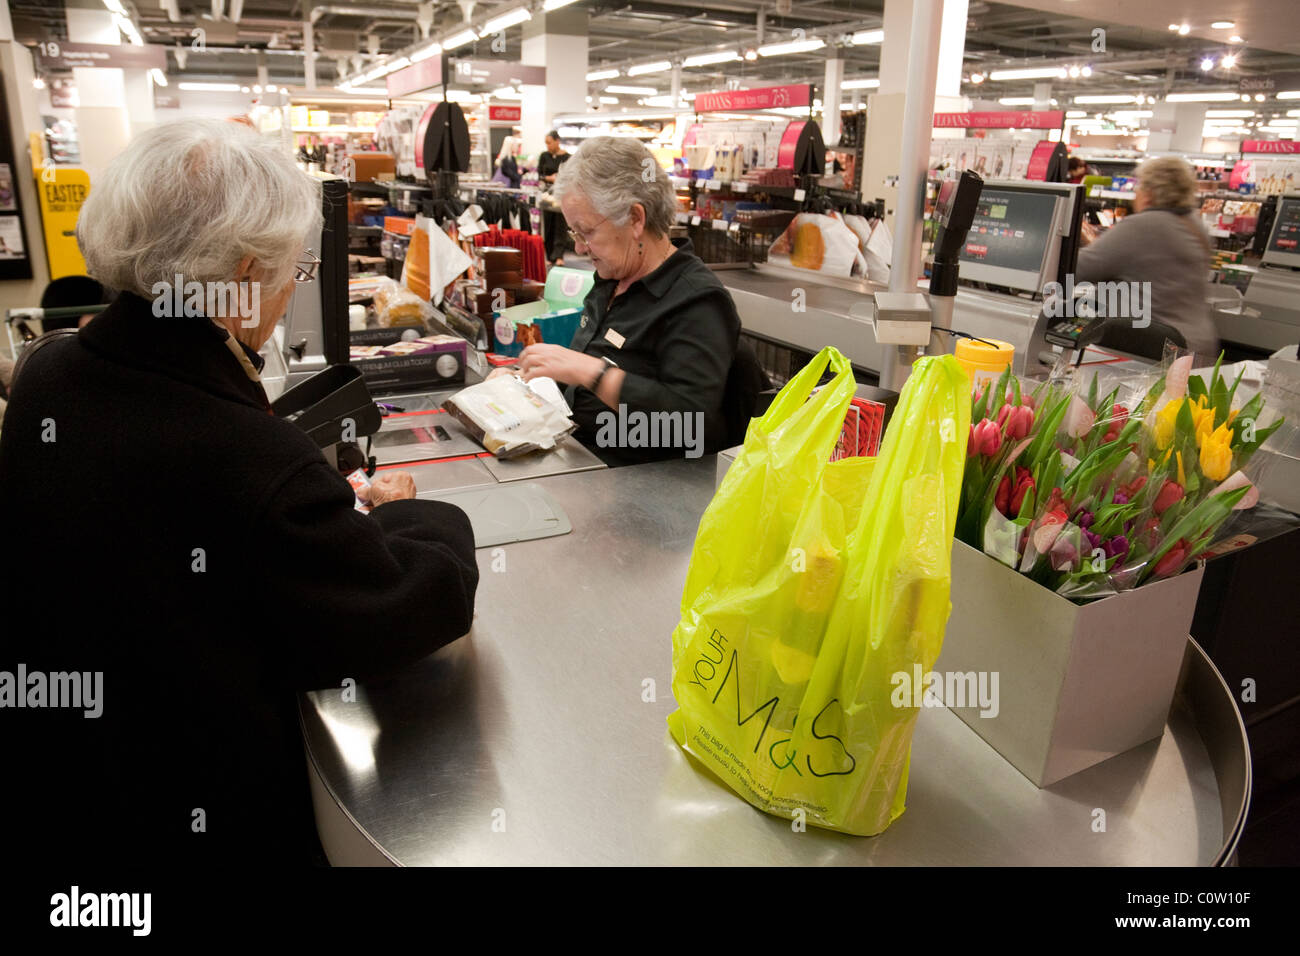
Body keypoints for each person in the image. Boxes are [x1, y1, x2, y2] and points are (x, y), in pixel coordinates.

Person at [0, 117, 479, 867]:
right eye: (295, 271)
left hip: (72, 794)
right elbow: (399, 616)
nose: (291, 291)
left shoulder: (48, 375)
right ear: (247, 276)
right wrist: (419, 513)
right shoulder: (246, 456)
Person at [505, 135, 740, 465]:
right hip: (581, 460)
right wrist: (523, 383)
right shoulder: (610, 280)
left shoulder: (697, 302)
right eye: (574, 233)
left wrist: (595, 373)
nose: (579, 248)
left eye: (586, 232)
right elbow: (579, 382)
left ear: (635, 219)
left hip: (642, 488)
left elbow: (692, 425)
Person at [1074, 155, 1219, 361]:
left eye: (1139, 187)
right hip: (1197, 346)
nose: (1136, 194)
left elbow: (1076, 269)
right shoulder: (1195, 226)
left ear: (1150, 192)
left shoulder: (1142, 226)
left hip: (1152, 349)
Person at [538, 129, 571, 266]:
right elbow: (539, 174)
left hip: (562, 194)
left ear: (557, 141)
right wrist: (548, 178)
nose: (548, 146)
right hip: (547, 194)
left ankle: (559, 255)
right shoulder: (544, 156)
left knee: (560, 224)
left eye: (550, 143)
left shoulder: (567, 157)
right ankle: (549, 254)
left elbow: (570, 175)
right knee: (548, 224)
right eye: (546, 143)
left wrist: (559, 179)